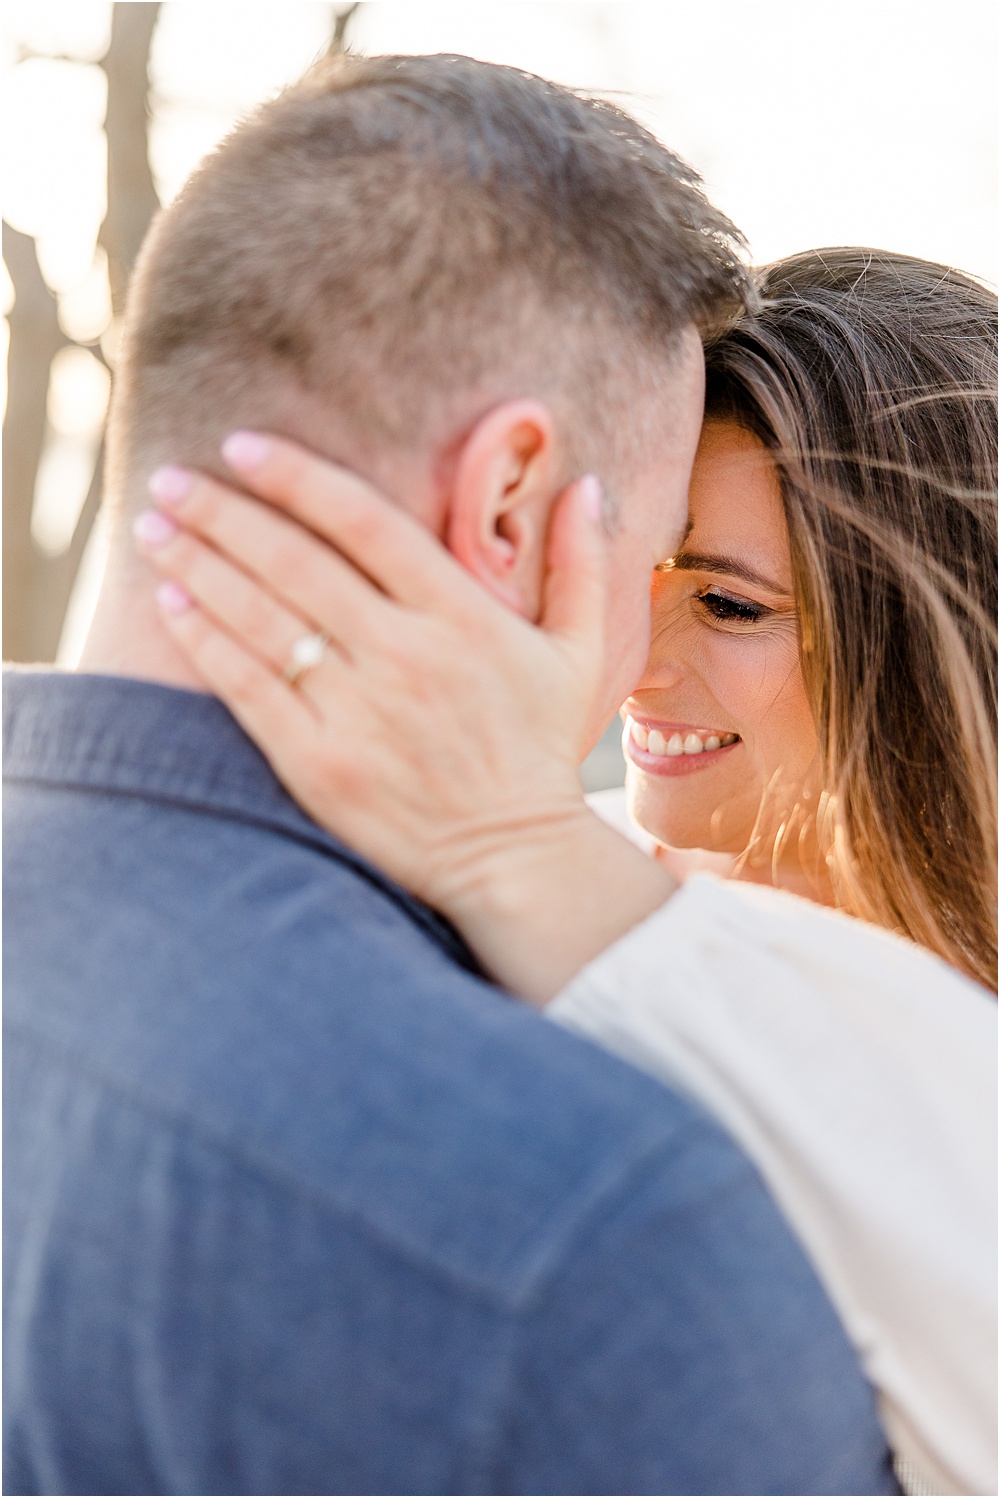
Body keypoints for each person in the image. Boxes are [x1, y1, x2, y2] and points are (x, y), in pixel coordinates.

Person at [2, 55, 898, 1497]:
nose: (639, 663)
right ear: (504, 503)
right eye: (649, 549)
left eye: (718, 595)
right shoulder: (596, 1230)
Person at [134, 250, 997, 1494]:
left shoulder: (550, 885)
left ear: (931, 638)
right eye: (634, 575)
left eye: (731, 606)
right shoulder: (490, 910)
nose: (633, 660)